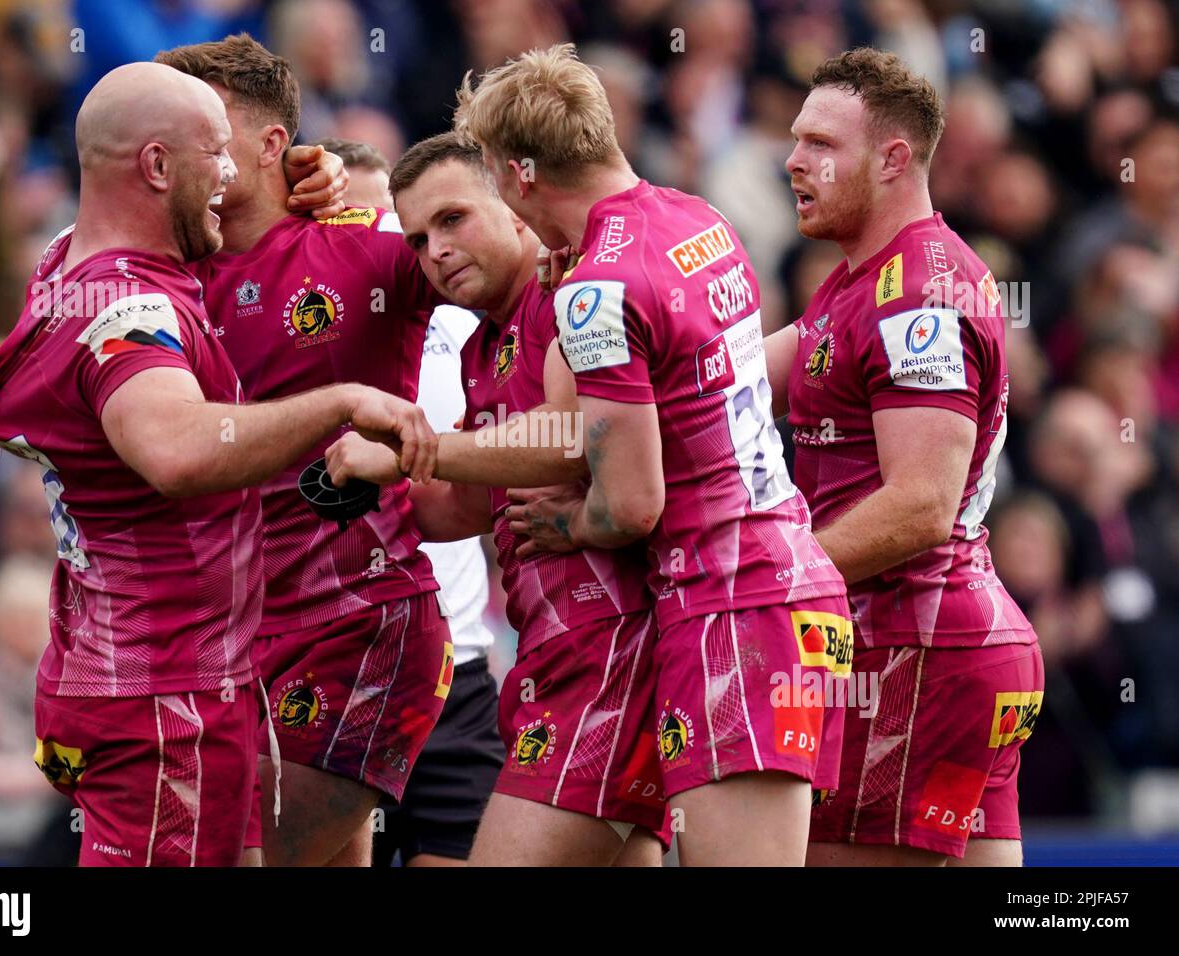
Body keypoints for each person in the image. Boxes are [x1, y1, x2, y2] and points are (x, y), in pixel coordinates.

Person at [0, 61, 434, 867]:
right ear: (157, 165)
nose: (232, 174)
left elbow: (54, 419)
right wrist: (342, 403)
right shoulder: (133, 307)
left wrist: (352, 187)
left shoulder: (65, 265)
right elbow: (174, 450)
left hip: (154, 670)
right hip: (165, 688)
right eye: (214, 153)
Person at [456, 44, 851, 866]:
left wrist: (571, 520)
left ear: (521, 175)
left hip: (731, 604)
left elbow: (633, 504)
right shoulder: (695, 216)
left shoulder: (596, 288)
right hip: (783, 584)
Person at [327, 132, 665, 866]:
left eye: (453, 221)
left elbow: (579, 438)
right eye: (418, 239)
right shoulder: (487, 342)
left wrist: (414, 451)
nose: (434, 252)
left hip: (612, 656)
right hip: (558, 658)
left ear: (515, 206)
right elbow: (465, 507)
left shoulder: (570, 297)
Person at [776, 48, 1043, 866]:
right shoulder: (860, 276)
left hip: (913, 652)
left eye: (822, 143)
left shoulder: (920, 294)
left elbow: (922, 506)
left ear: (894, 158)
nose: (793, 160)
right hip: (947, 650)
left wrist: (768, 582)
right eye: (795, 139)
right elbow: (730, 377)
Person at [322, 137, 505, 868]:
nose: (393, 258)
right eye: (348, 231)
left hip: (453, 665)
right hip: (328, 662)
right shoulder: (287, 332)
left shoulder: (466, 319)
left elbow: (537, 454)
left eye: (392, 236)